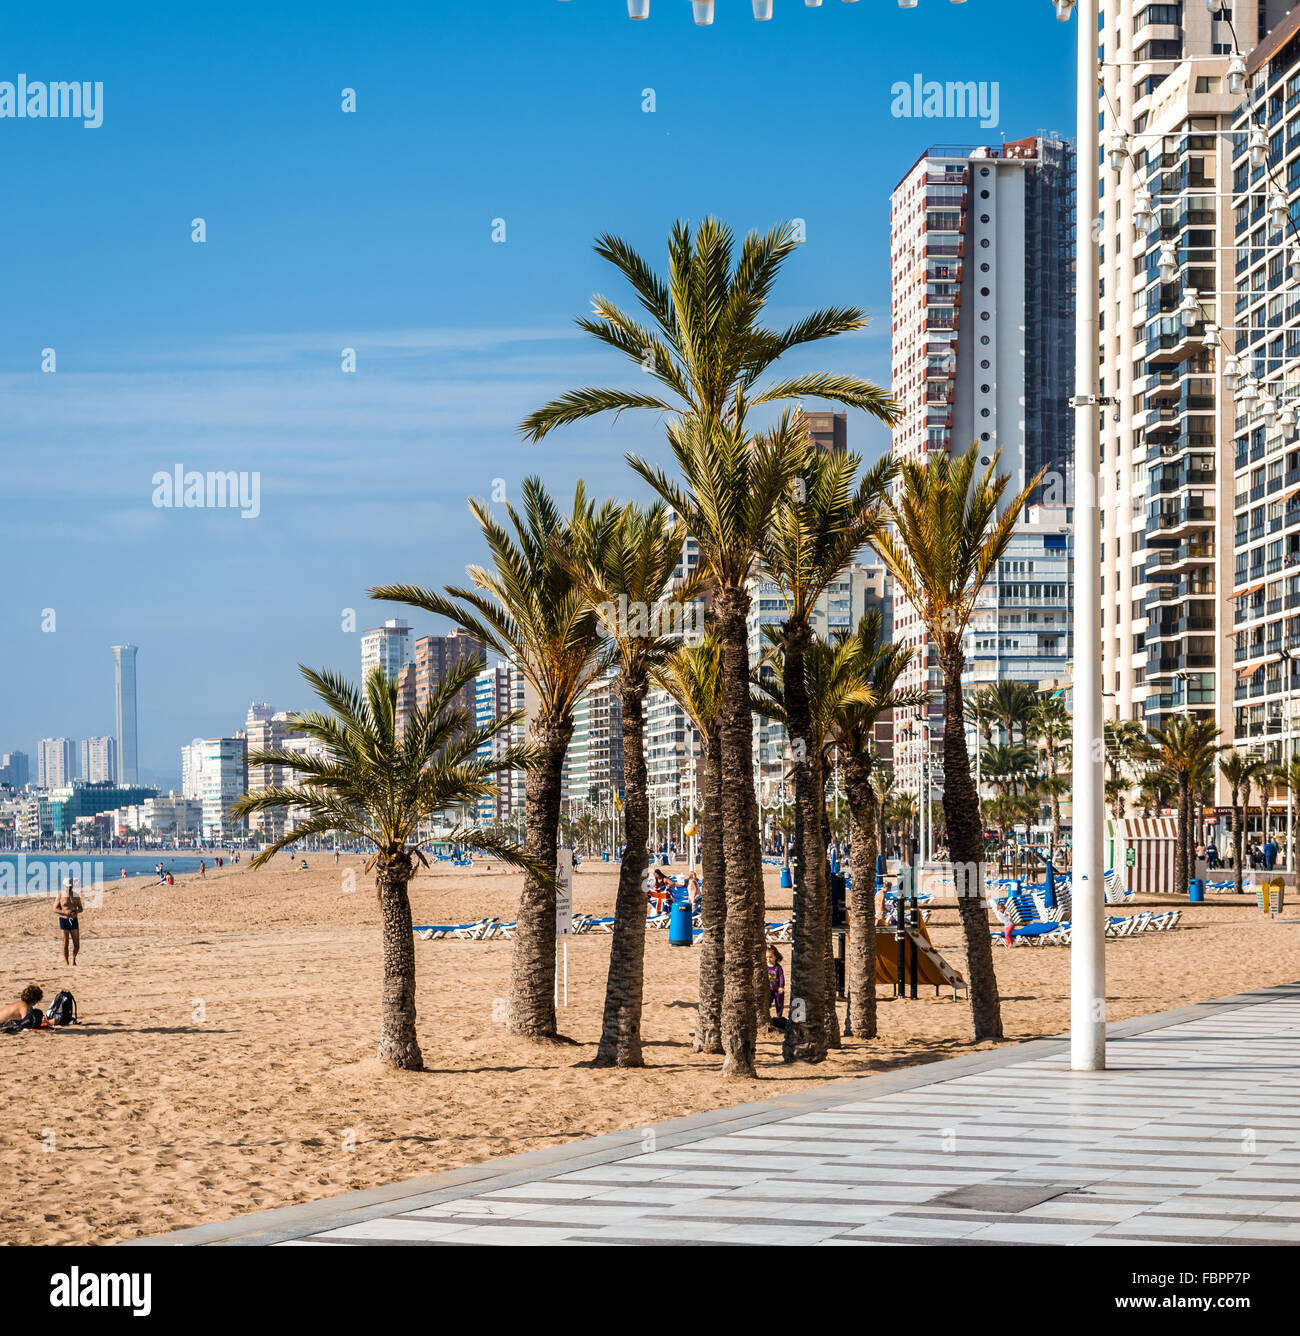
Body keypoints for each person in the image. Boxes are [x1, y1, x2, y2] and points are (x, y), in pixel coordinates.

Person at [54, 880, 83, 966]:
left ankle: (73, 959)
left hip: (74, 920)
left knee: (77, 944)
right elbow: (54, 909)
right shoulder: (60, 895)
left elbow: (81, 908)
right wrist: (64, 913)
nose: (69, 888)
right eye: (67, 887)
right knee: (65, 942)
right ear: (64, 886)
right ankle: (66, 962)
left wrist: (76, 911)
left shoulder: (76, 896)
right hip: (64, 920)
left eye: (70, 887)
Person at [766, 946, 785, 1021]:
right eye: (766, 957)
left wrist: (781, 986)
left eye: (770, 957)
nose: (768, 959)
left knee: (779, 1003)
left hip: (777, 990)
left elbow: (781, 978)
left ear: (775, 957)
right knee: (767, 1003)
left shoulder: (778, 968)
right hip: (768, 990)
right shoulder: (765, 967)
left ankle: (779, 1016)